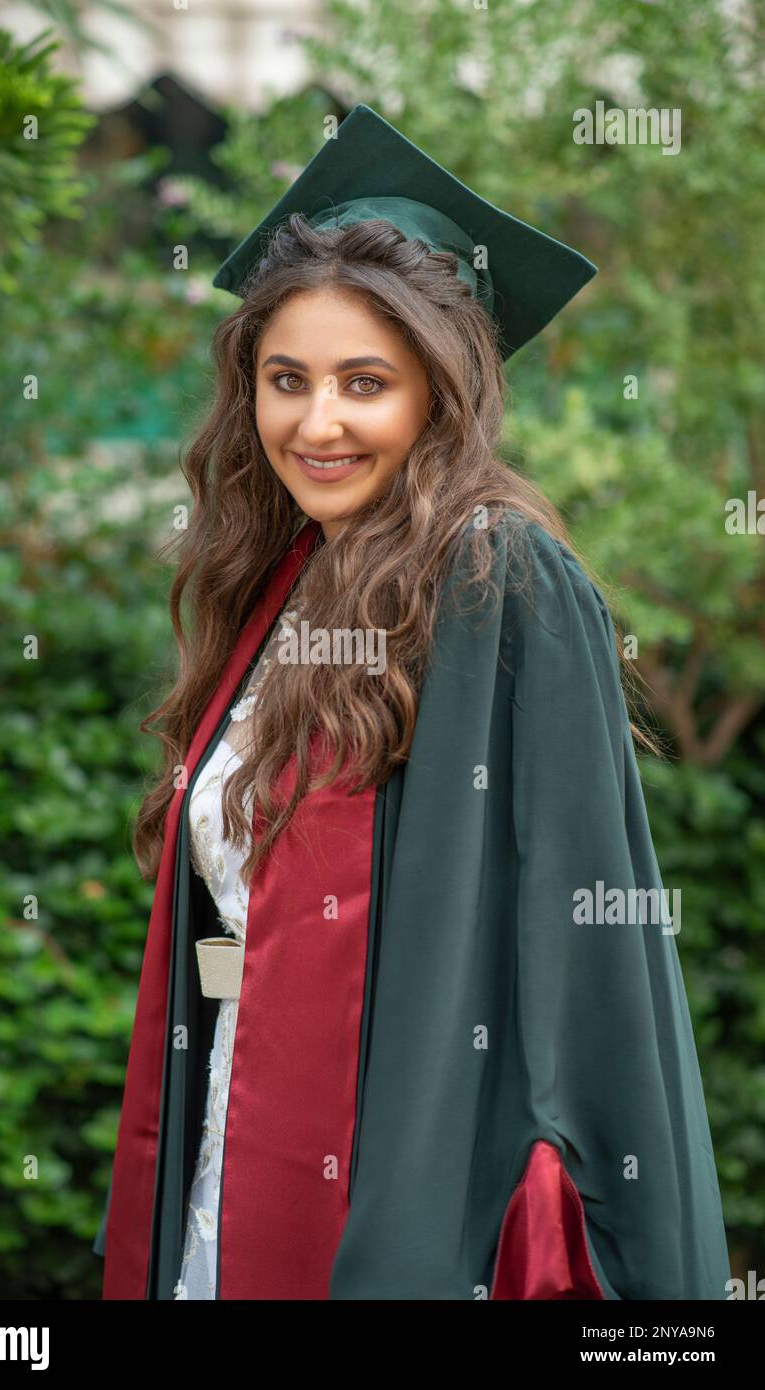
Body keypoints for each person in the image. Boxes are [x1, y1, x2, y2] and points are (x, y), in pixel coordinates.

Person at [94, 104, 731, 1300]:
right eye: (287, 380)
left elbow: (582, 943)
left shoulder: (502, 579)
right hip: (231, 1164)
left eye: (365, 383)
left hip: (404, 1205)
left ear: (441, 392)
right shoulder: (284, 583)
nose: (316, 422)